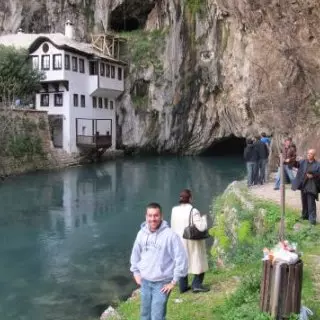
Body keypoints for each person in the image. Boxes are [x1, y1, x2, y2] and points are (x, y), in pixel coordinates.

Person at [130, 202, 188, 320]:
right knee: (145, 315)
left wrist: (173, 281)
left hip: (162, 283)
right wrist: (136, 272)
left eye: (156, 215)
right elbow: (135, 254)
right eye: (150, 216)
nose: (153, 219)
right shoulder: (141, 234)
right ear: (146, 217)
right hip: (145, 281)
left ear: (161, 216)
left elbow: (181, 258)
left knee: (157, 316)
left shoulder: (170, 236)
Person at [171, 189, 209, 293]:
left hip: (179, 241)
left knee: (182, 263)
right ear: (190, 198)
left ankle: (183, 287)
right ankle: (196, 284)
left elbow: (173, 225)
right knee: (198, 262)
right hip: (192, 241)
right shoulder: (193, 211)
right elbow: (201, 227)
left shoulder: (174, 210)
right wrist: (204, 219)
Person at [292, 149, 320, 225]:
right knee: (304, 201)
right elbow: (296, 164)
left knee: (311, 203)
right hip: (303, 185)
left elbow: (319, 175)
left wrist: (313, 175)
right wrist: (291, 160)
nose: (308, 155)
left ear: (314, 155)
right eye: (308, 153)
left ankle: (312, 220)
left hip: (311, 186)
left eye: (310, 154)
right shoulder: (303, 162)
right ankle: (305, 216)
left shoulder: (317, 164)